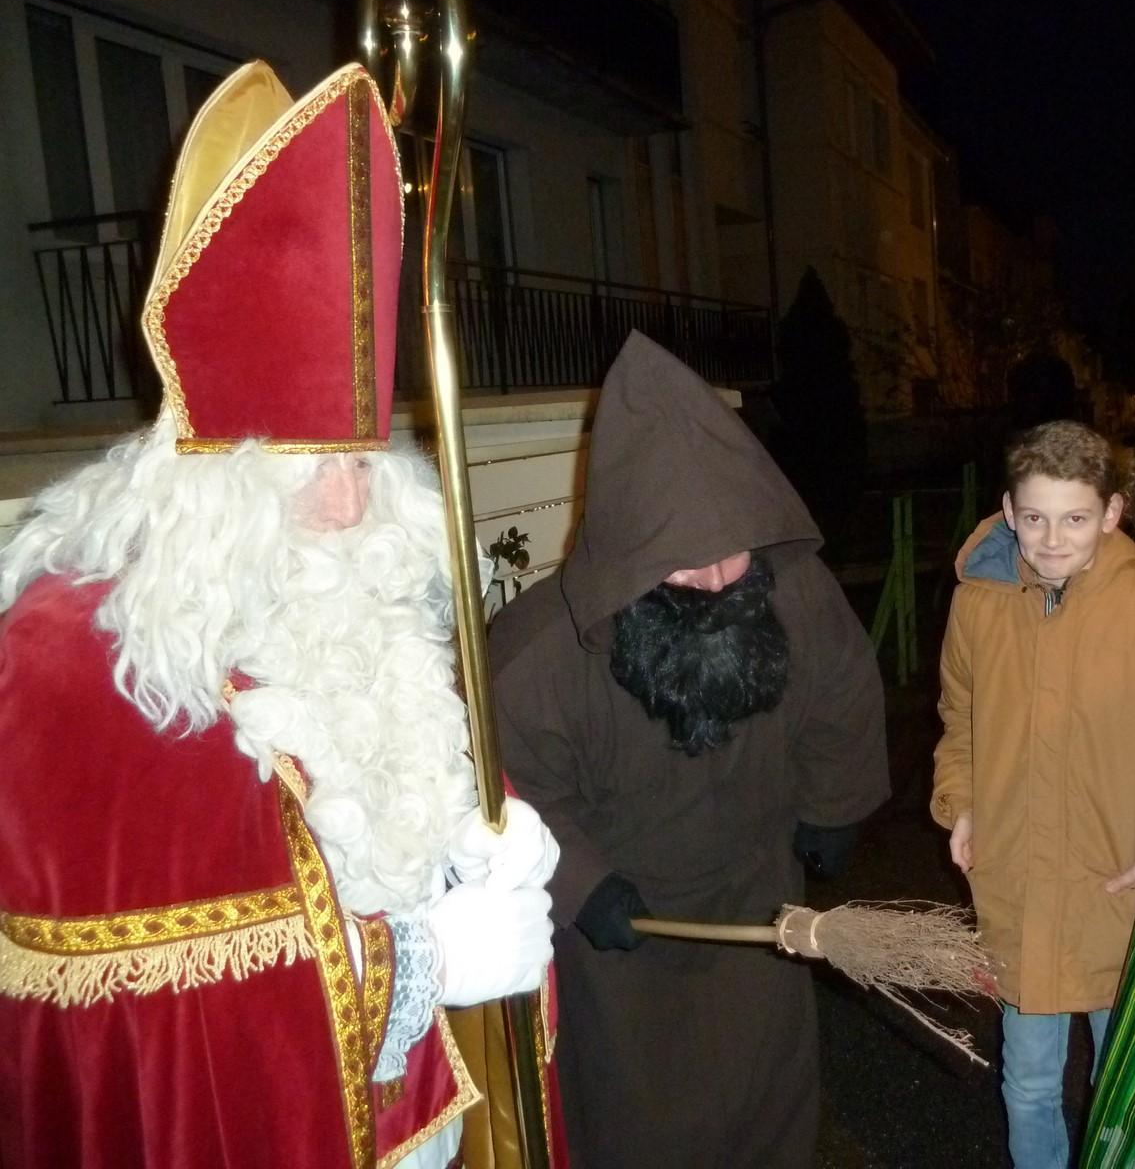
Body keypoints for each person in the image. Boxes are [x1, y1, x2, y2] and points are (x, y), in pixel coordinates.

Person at [0, 61, 557, 1169]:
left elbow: (370, 802)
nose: (348, 505)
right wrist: (424, 963)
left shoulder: (357, 596)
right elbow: (157, 1034)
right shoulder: (74, 659)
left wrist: (472, 837)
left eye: (358, 459)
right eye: (303, 469)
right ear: (210, 476)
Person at [489, 332, 889, 1169]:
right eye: (683, 566)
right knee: (642, 1130)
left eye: (728, 553)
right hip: (626, 945)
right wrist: (582, 884)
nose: (714, 585)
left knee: (768, 1111)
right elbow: (514, 791)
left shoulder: (791, 593)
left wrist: (834, 804)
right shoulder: (538, 655)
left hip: (757, 901)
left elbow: (843, 691)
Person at [931, 420, 1135, 1169]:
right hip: (1019, 892)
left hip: (1119, 893)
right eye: (1034, 517)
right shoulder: (978, 608)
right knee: (1026, 1084)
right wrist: (959, 800)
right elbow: (958, 718)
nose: (1052, 539)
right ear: (1007, 509)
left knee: (1122, 1088)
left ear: (1113, 514)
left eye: (1075, 518)